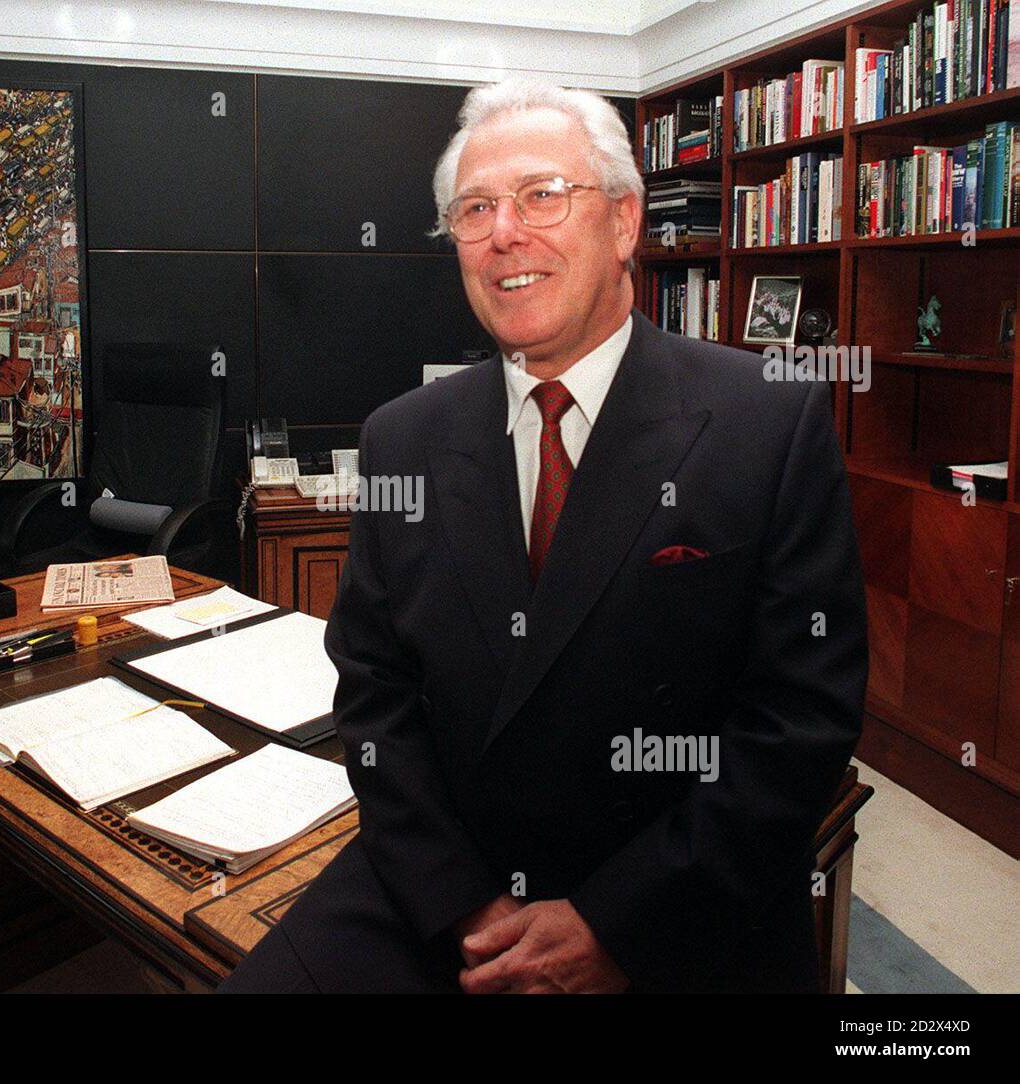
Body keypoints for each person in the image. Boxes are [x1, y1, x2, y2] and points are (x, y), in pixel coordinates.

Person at [220, 77, 867, 994]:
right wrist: (466, 909)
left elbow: (800, 720)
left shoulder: (769, 422)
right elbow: (374, 698)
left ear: (625, 222)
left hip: (675, 904)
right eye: (474, 209)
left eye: (542, 195)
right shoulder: (401, 436)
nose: (505, 234)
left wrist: (616, 927)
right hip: (443, 890)